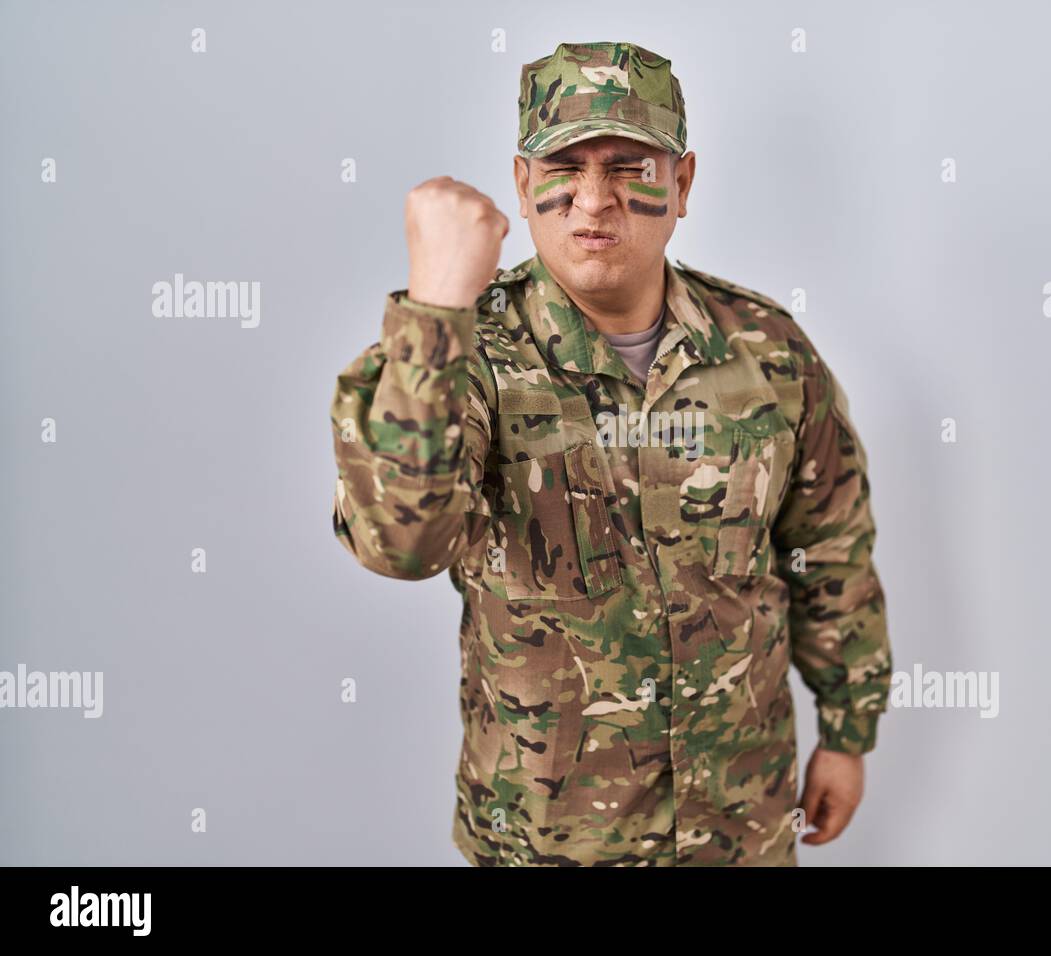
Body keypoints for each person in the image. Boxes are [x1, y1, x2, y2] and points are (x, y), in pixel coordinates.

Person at [329, 41, 893, 866]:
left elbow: (832, 546)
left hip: (739, 826)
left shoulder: (767, 350)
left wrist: (847, 730)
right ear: (524, 186)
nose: (594, 200)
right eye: (565, 165)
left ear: (684, 184)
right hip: (551, 842)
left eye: (630, 166)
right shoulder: (463, 353)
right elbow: (400, 544)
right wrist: (434, 308)